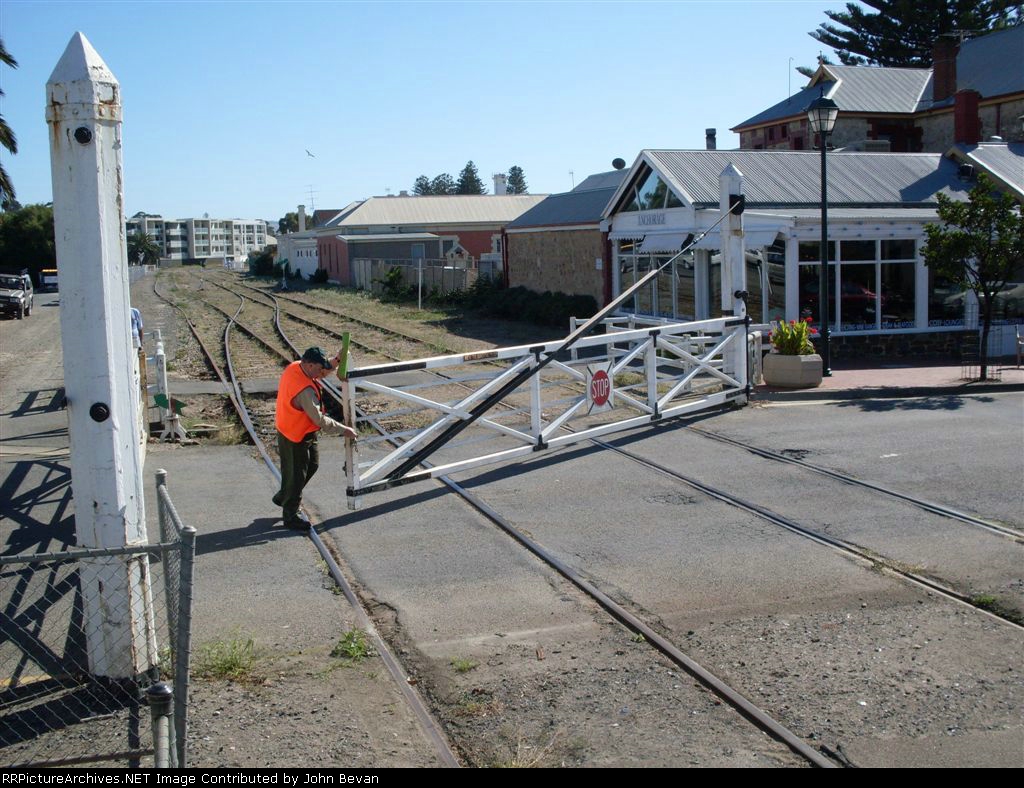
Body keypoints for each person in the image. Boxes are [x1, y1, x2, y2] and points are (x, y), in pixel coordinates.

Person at [273, 347, 357, 530]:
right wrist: (345, 430)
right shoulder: (305, 391)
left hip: (296, 428)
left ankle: (284, 496)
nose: (321, 373)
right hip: (295, 435)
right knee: (297, 476)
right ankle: (290, 516)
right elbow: (319, 420)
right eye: (319, 368)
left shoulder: (296, 367)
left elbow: (322, 372)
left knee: (312, 465)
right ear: (310, 365)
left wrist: (337, 360)